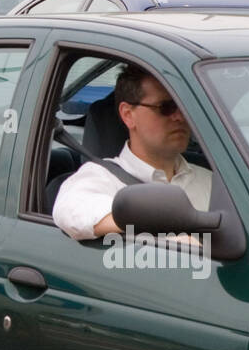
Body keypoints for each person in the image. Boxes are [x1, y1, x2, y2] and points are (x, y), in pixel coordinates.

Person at [53, 63, 213, 241]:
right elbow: (70, 211)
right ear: (128, 114)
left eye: (183, 107)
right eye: (166, 107)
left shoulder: (211, 182)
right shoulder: (102, 177)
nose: (179, 116)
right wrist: (164, 229)